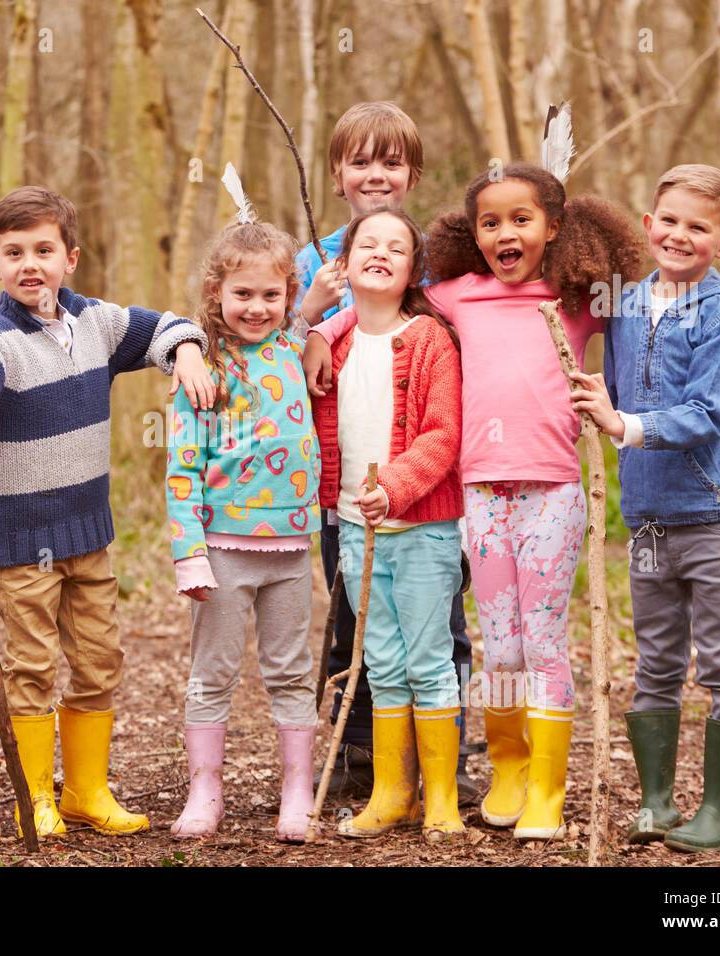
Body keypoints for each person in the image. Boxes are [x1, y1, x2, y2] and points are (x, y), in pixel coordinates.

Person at [306, 162, 643, 840]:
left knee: (544, 640)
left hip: (553, 490)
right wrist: (319, 330)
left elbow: (649, 320)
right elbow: (382, 307)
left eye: (522, 219)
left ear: (555, 227)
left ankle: (548, 787)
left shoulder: (576, 296)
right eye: (491, 222)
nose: (505, 233)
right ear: (472, 234)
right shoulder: (458, 295)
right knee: (501, 645)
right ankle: (510, 765)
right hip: (481, 497)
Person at [0, 186, 214, 837]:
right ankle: (34, 798)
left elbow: (166, 326)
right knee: (33, 667)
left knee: (100, 659)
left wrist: (187, 349)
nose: (29, 263)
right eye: (13, 252)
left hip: (90, 540)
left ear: (69, 257)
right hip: (21, 547)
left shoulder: (98, 325)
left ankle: (85, 790)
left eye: (43, 249)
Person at [569, 164, 720, 852]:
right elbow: (617, 389)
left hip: (715, 512)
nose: (681, 236)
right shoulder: (621, 304)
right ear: (648, 226)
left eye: (699, 227)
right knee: (655, 659)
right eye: (670, 221)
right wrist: (602, 405)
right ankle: (654, 800)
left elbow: (710, 412)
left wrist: (623, 426)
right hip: (648, 513)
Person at [295, 101, 477, 803]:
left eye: (392, 162)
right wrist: (308, 320)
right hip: (341, 491)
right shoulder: (315, 261)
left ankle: (442, 766)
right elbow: (264, 346)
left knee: (440, 629)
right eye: (361, 161)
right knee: (355, 627)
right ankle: (366, 760)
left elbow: (472, 317)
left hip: (426, 489)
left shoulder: (435, 258)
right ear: (337, 173)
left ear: (414, 174)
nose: (377, 174)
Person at [166, 218, 322, 843]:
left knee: (290, 670)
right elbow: (181, 468)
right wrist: (189, 555)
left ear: (287, 296)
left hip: (291, 548)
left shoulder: (294, 346)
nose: (256, 308)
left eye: (270, 296)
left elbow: (319, 314)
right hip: (224, 549)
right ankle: (205, 790)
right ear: (216, 295)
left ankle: (298, 791)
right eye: (242, 295)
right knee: (213, 672)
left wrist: (318, 309)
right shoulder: (203, 368)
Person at [311, 208, 465, 842]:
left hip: (422, 531)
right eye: (365, 243)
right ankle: (393, 792)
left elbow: (443, 434)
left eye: (395, 247)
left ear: (412, 270)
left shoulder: (429, 339)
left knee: (430, 661)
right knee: (381, 661)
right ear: (343, 266)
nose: (380, 252)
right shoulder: (333, 347)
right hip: (354, 529)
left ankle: (442, 801)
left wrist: (396, 489)